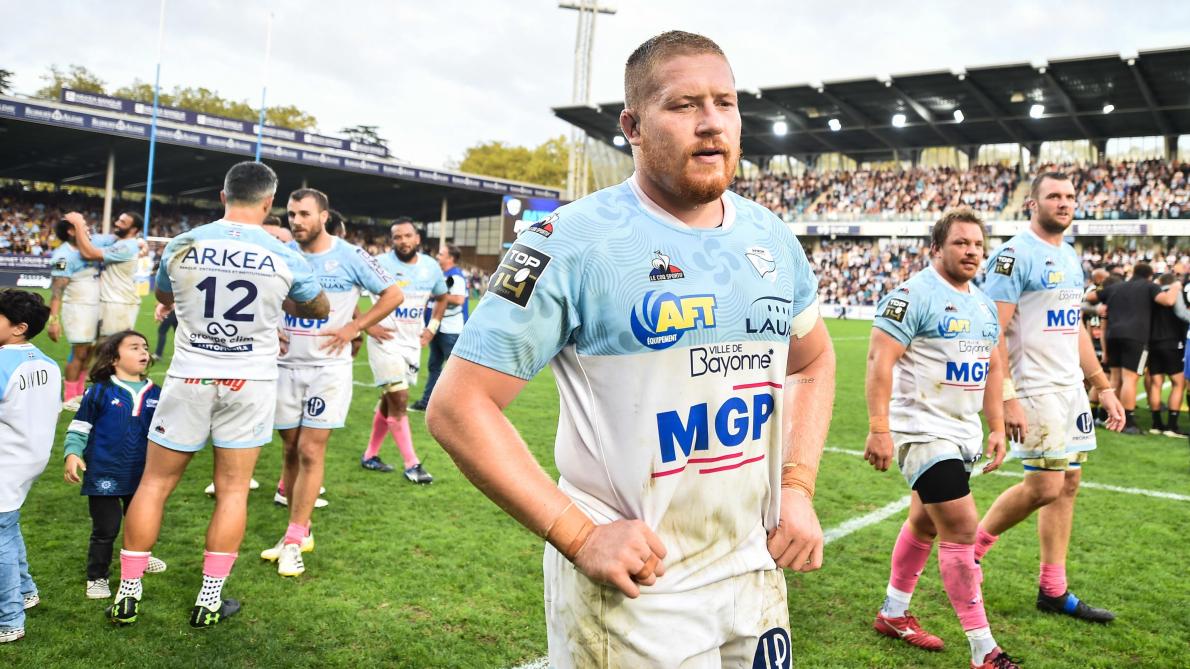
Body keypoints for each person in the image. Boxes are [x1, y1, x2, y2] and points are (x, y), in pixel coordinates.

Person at [427, 31, 834, 667]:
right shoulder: (570, 242)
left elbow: (811, 362)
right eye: (682, 105)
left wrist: (799, 488)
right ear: (632, 125)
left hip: (753, 572)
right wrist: (579, 535)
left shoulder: (771, 237)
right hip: (636, 587)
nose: (710, 124)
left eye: (725, 103)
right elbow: (459, 405)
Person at [107, 161, 328, 628]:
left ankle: (128, 593)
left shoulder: (184, 242)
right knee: (232, 492)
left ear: (222, 195)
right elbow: (318, 305)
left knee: (154, 485)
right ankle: (209, 600)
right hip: (249, 382)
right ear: (269, 202)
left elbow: (164, 297)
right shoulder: (282, 251)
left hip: (189, 377)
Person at [863, 209, 1020, 669]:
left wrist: (995, 426)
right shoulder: (913, 295)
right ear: (936, 248)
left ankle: (892, 613)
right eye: (961, 243)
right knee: (961, 527)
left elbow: (992, 368)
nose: (972, 251)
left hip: (962, 432)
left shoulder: (983, 303)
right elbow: (879, 359)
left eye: (978, 245)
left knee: (925, 523)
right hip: (922, 431)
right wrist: (879, 428)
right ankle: (984, 650)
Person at [976, 171, 1125, 624]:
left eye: (1069, 196)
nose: (1063, 203)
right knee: (1045, 485)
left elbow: (1075, 325)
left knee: (1069, 485)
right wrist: (1006, 396)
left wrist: (1101, 384)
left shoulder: (1072, 256)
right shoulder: (1013, 255)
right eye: (1053, 196)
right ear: (1032, 204)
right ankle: (971, 550)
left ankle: (1053, 590)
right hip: (1033, 388)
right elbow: (993, 332)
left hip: (1070, 390)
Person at [262, 188, 402, 577]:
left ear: (324, 216)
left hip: (328, 370)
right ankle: (297, 530)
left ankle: (293, 541)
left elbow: (391, 294)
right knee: (289, 449)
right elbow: (269, 300)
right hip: (285, 367)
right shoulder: (283, 255)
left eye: (304, 214)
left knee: (310, 449)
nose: (296, 221)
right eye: (291, 214)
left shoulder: (350, 255)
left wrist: (354, 327)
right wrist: (273, 328)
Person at [62, 330, 167, 599]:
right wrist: (73, 453)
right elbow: (80, 426)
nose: (143, 352)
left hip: (143, 474)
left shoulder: (157, 393)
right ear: (113, 359)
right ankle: (97, 577)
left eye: (145, 347)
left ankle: (141, 559)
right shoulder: (99, 392)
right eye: (134, 347)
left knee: (142, 523)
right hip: (103, 472)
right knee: (106, 529)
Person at [359, 218, 443, 482]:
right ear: (391, 240)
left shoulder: (431, 266)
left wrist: (432, 328)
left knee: (389, 400)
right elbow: (351, 290)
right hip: (384, 342)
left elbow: (442, 297)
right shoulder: (378, 264)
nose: (403, 241)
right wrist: (367, 326)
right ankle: (412, 464)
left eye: (408, 236)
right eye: (397, 237)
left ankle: (370, 455)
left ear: (417, 239)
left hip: (411, 343)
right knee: (400, 399)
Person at [0, 289, 61, 644]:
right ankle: (25, 590)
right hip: (32, 457)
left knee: (1, 534)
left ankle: (9, 618)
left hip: (7, 459)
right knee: (7, 524)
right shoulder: (47, 363)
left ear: (19, 327)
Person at [1090, 262, 1177, 434]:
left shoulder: (1118, 286)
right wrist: (1175, 285)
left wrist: (1099, 307)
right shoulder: (1150, 286)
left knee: (1115, 379)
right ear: (1150, 275)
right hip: (1135, 337)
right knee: (1130, 379)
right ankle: (1128, 422)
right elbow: (1167, 301)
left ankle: (1108, 415)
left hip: (1113, 335)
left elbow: (1091, 297)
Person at [45, 218, 112, 409]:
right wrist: (54, 320)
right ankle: (69, 398)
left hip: (96, 308)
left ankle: (79, 394)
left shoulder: (92, 244)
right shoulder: (63, 256)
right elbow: (57, 291)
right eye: (82, 227)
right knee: (79, 352)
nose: (88, 229)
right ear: (71, 232)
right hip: (77, 308)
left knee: (89, 352)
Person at [65, 211, 146, 342]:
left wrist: (79, 224)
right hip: (109, 301)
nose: (117, 224)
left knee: (109, 349)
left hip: (118, 304)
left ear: (134, 229)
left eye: (123, 222)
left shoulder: (127, 247)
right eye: (119, 220)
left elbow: (89, 254)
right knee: (95, 347)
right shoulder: (117, 241)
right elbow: (92, 241)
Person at [410, 243, 467, 411]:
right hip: (438, 327)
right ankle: (428, 401)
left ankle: (459, 405)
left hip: (451, 329)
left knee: (454, 369)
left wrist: (438, 295)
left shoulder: (456, 277)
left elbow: (459, 300)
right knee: (434, 366)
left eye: (441, 254)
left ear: (451, 258)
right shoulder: (442, 274)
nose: (438, 256)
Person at [1143, 273, 1188, 436]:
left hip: (1153, 343)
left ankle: (1156, 424)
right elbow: (1182, 314)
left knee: (1156, 383)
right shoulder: (1175, 293)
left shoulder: (1152, 296)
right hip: (1172, 343)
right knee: (1178, 383)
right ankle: (1171, 426)